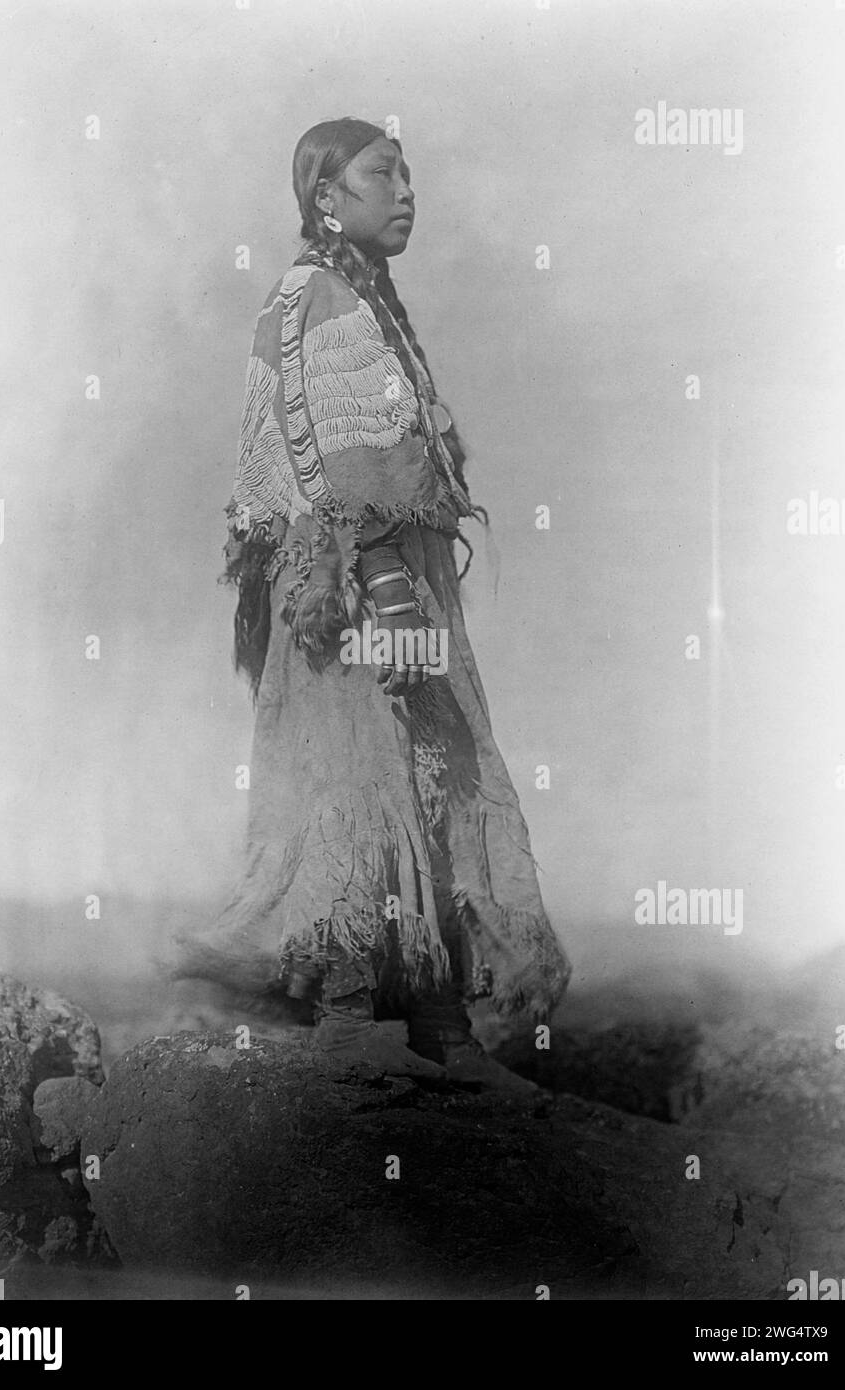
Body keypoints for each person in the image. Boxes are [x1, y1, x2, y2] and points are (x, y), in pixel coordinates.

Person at [173, 118, 570, 1094]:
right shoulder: (320, 298)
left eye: (408, 175)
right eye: (383, 173)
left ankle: (439, 1027)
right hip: (354, 587)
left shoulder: (357, 295)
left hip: (385, 577)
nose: (405, 192)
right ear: (323, 196)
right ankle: (350, 1020)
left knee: (424, 774)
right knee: (361, 782)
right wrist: (389, 594)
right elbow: (337, 465)